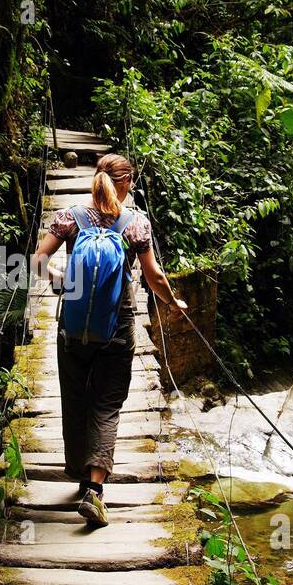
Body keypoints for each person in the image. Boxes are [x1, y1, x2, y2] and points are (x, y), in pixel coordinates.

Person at [32, 153, 187, 528]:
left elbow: (37, 261)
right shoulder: (135, 224)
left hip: (72, 329)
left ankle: (76, 467)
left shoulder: (70, 217)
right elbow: (154, 277)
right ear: (127, 184)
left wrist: (64, 284)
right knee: (107, 404)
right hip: (117, 328)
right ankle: (95, 490)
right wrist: (173, 302)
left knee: (75, 397)